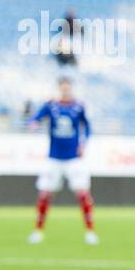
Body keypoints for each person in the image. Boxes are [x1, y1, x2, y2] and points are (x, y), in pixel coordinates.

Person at [26, 77, 98, 245]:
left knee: (83, 194)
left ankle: (90, 231)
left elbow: (87, 127)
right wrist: (33, 123)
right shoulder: (50, 106)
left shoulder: (79, 106)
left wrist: (83, 143)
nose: (65, 91)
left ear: (71, 89)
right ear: (59, 89)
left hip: (74, 158)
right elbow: (35, 118)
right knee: (45, 195)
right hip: (54, 157)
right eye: (62, 88)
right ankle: (38, 231)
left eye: (67, 88)